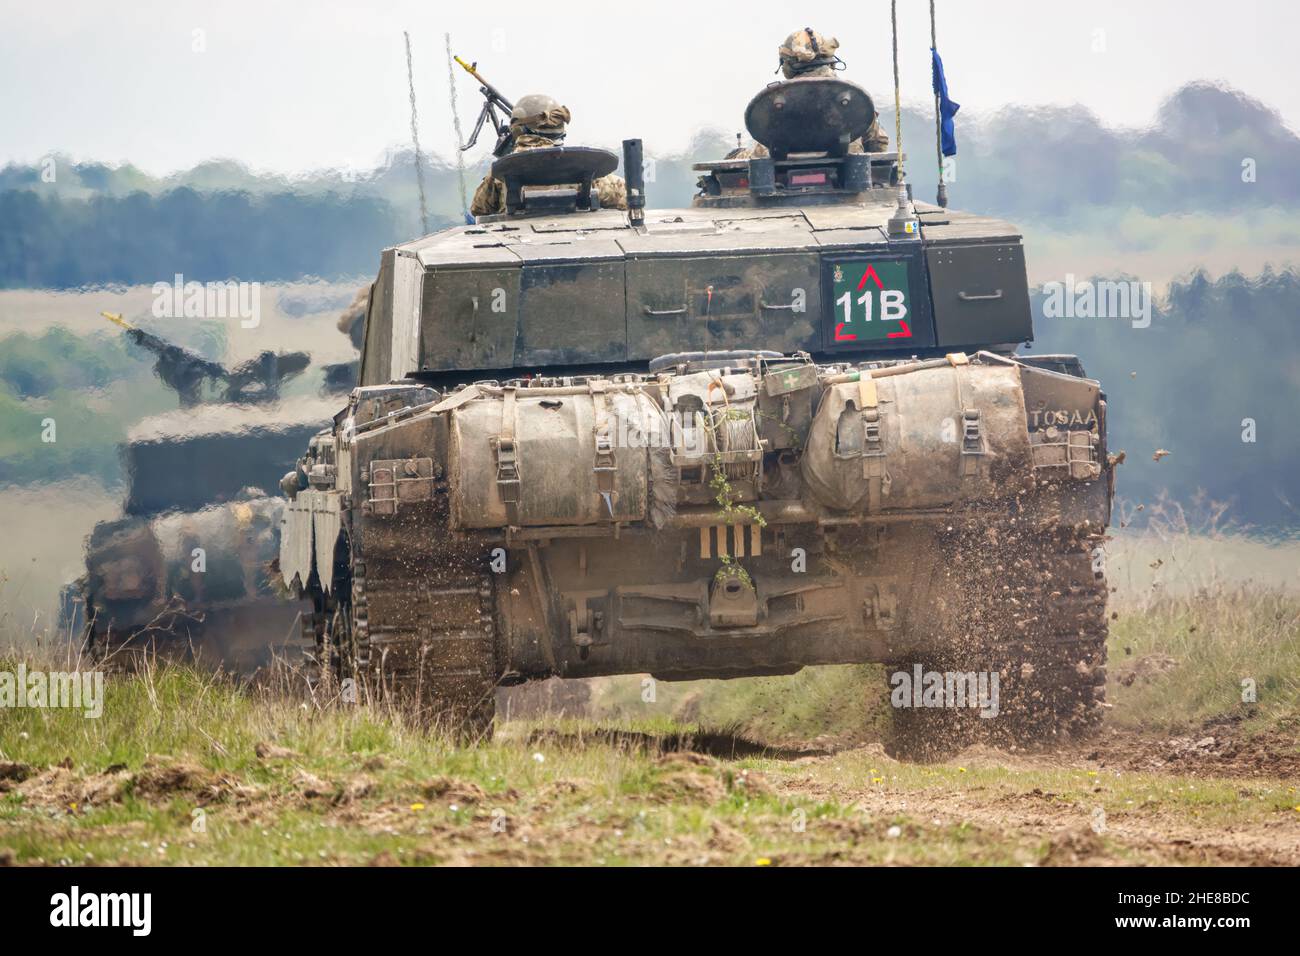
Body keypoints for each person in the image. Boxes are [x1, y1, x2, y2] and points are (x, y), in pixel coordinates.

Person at [728, 28, 890, 160]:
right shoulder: (850, 97)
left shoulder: (780, 99)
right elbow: (878, 143)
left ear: (788, 63)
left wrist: (736, 156)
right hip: (845, 175)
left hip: (781, 180)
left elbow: (761, 153)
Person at [470, 93, 627, 216]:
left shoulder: (503, 170)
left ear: (517, 129)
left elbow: (479, 210)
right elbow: (627, 196)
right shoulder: (581, 164)